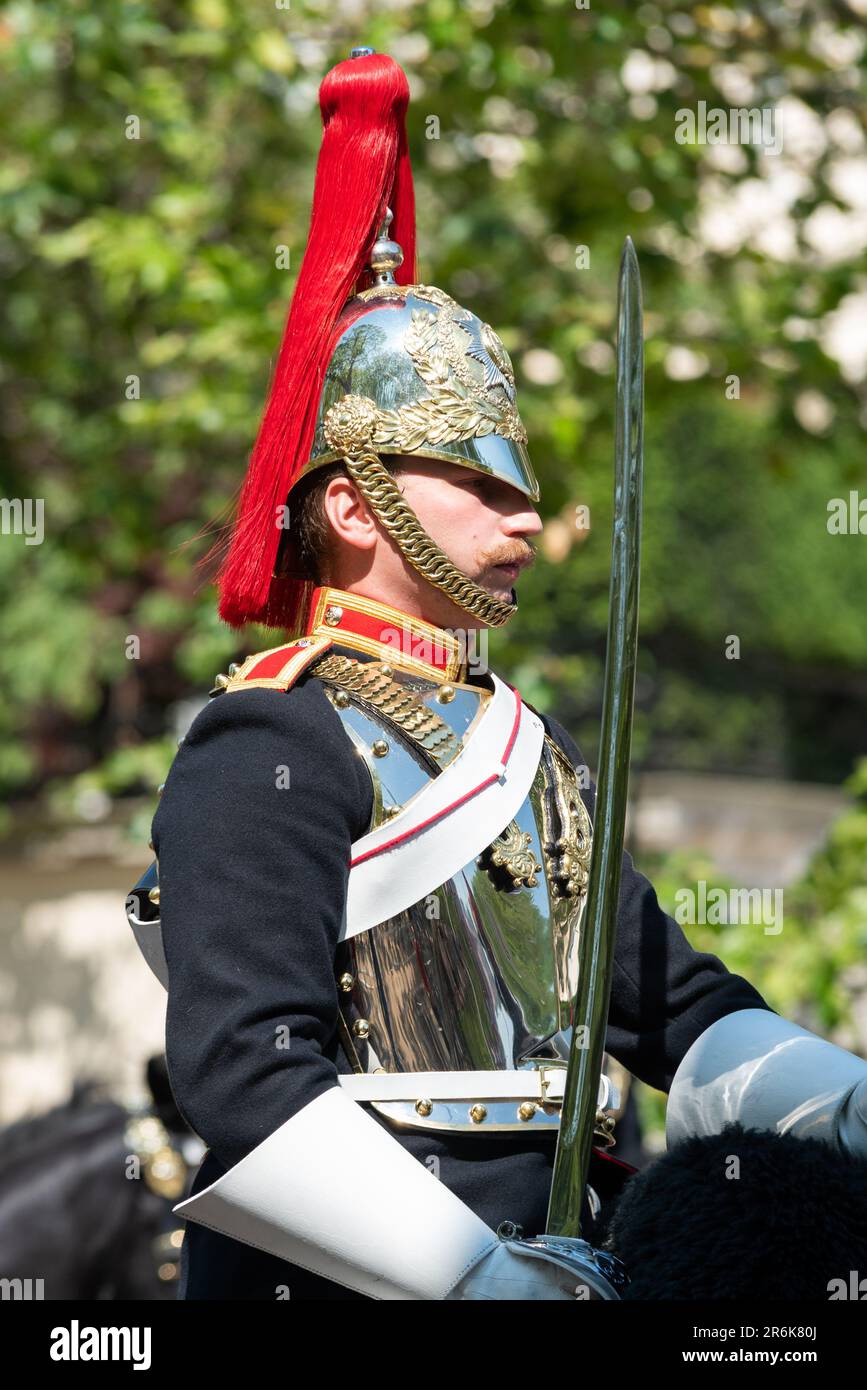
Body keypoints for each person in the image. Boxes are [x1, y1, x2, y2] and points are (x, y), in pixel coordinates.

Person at [127, 49, 867, 1301]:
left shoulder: (529, 746)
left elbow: (677, 1012)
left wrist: (848, 1106)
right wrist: (477, 1278)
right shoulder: (269, 737)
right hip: (359, 1282)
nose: (520, 521)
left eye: (520, 490)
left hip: (571, 1263)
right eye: (478, 485)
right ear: (355, 509)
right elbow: (248, 1073)